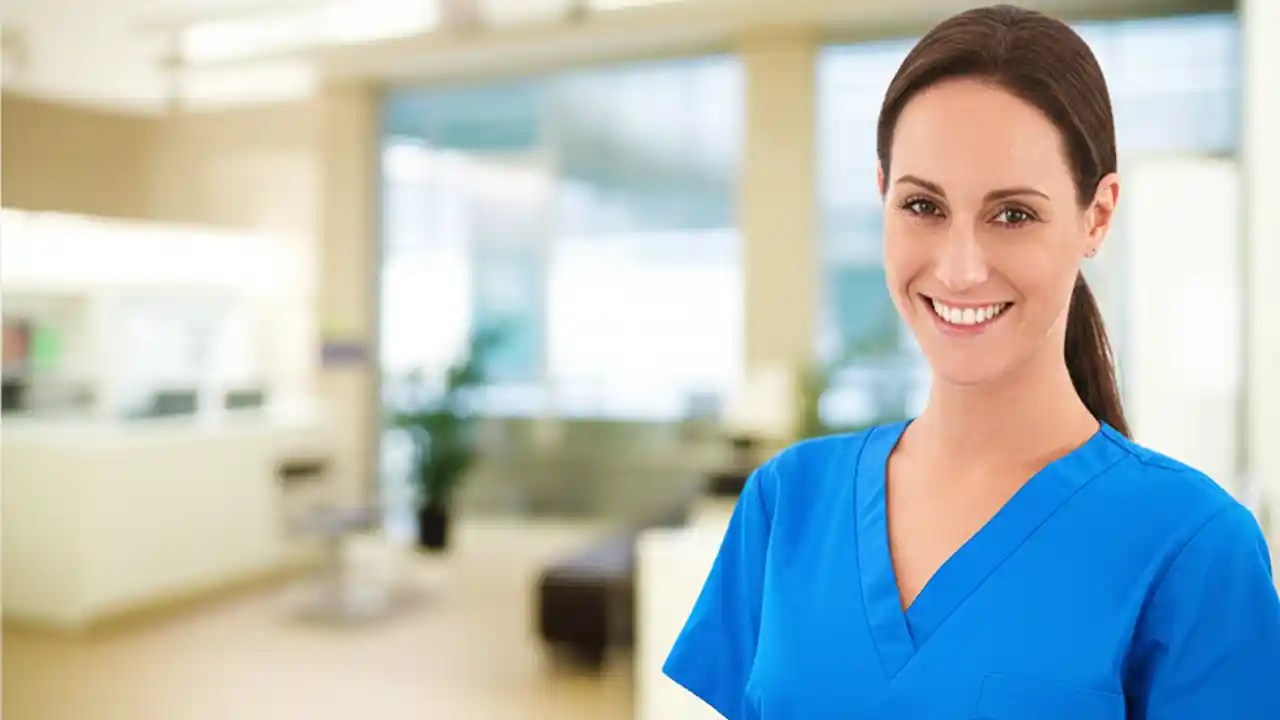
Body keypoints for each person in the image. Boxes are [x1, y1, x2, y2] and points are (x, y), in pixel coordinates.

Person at [662, 5, 1280, 718]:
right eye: (923, 205)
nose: (959, 270)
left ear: (1098, 216)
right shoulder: (789, 504)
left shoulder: (1194, 547)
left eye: (1012, 214)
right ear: (881, 196)